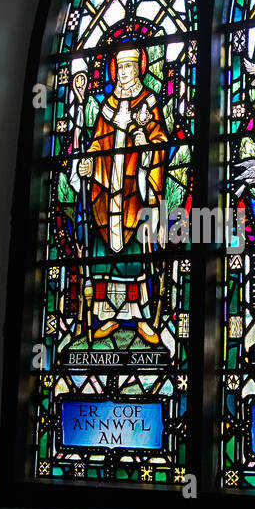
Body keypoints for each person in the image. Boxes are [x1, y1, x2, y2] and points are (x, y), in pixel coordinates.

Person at [76, 42, 168, 344]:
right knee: (104, 258)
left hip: (134, 190)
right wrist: (89, 158)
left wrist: (145, 144)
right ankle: (108, 315)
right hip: (106, 188)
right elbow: (98, 142)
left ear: (139, 69)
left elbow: (159, 141)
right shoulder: (107, 105)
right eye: (120, 67)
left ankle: (140, 317)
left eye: (130, 67)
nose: (124, 73)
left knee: (134, 256)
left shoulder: (149, 102)